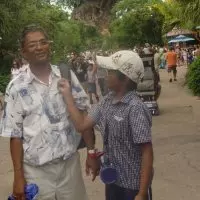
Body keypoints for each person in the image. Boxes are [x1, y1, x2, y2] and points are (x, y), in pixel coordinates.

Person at [0, 25, 99, 200]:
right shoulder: (16, 88)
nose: (39, 47)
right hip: (36, 172)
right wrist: (18, 176)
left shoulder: (66, 76)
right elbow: (15, 136)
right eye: (32, 45)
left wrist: (91, 152)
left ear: (49, 46)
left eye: (43, 42)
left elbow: (84, 115)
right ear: (24, 52)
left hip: (69, 168)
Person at [58, 50, 154, 200]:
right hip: (113, 181)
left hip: (133, 185)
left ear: (125, 78)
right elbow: (82, 125)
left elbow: (147, 153)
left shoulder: (135, 108)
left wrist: (141, 193)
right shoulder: (107, 101)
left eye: (110, 72)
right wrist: (68, 97)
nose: (105, 75)